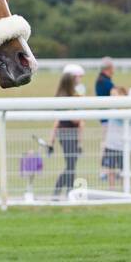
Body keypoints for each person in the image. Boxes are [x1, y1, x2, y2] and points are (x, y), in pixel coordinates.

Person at [48, 65, 86, 199]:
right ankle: (64, 192)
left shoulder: (63, 95)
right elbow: (75, 119)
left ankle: (62, 192)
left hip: (67, 134)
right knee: (71, 165)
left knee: (71, 165)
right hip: (67, 133)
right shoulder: (66, 97)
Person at [100, 85, 131, 188]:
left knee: (124, 170)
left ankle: (124, 189)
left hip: (123, 145)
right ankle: (111, 189)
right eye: (111, 95)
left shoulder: (128, 109)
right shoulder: (111, 107)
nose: (112, 97)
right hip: (111, 144)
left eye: (114, 94)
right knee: (110, 169)